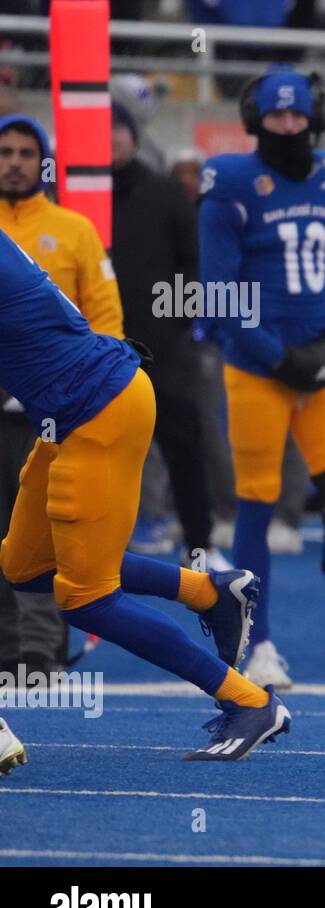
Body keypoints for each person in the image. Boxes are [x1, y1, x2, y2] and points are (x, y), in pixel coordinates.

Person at [0, 226, 284, 763]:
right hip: (75, 411)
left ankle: (250, 702)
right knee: (25, 564)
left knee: (85, 597)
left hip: (95, 412)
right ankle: (207, 591)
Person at [200, 66, 325, 690]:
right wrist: (277, 354)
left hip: (322, 365)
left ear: (314, 116)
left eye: (298, 115)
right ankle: (257, 646)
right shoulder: (231, 181)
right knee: (256, 505)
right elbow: (217, 292)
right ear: (258, 120)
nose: (290, 125)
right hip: (257, 369)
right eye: (278, 116)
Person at [0, 114, 121, 678]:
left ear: (43, 162)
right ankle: (6, 651)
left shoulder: (74, 230)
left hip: (52, 409)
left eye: (26, 152)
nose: (15, 161)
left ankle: (40, 653)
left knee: (48, 532)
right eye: (5, 151)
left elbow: (106, 320)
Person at [112, 101, 226, 573]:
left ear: (134, 136)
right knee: (95, 454)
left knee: (184, 448)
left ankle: (198, 545)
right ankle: (95, 546)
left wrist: (175, 324)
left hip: (162, 350)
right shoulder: (74, 196)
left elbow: (194, 263)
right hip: (90, 352)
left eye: (118, 129)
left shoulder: (165, 193)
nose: (110, 138)